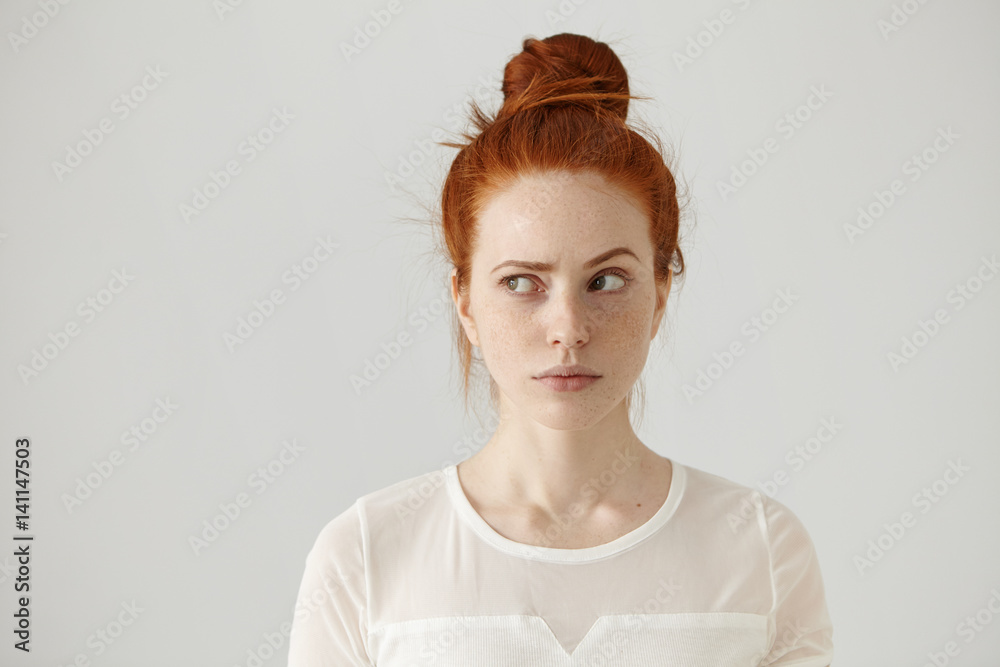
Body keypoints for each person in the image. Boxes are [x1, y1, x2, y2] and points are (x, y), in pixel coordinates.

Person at [287, 32, 834, 666]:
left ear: (659, 293)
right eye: (522, 283)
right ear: (464, 301)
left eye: (605, 280)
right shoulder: (366, 557)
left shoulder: (760, 550)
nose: (568, 327)